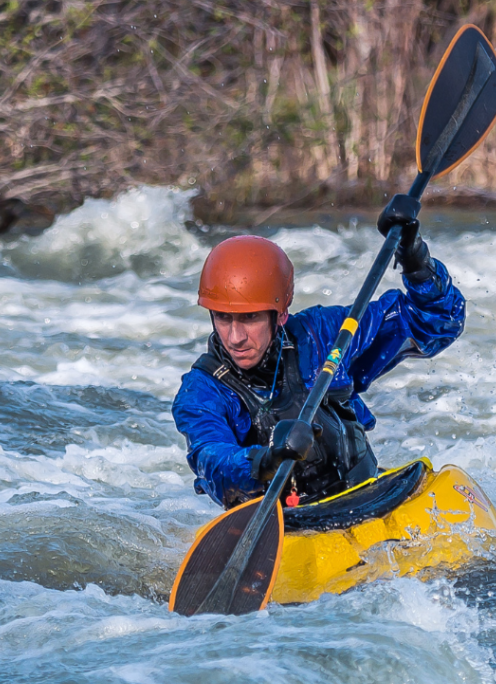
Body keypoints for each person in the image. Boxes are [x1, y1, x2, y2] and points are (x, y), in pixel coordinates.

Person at [172, 195, 466, 509]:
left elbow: (437, 322)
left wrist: (416, 261)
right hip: (284, 523)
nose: (235, 338)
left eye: (250, 318)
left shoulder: (321, 335)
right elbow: (211, 459)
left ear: (280, 314)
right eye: (223, 318)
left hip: (366, 498)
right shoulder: (201, 391)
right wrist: (266, 460)